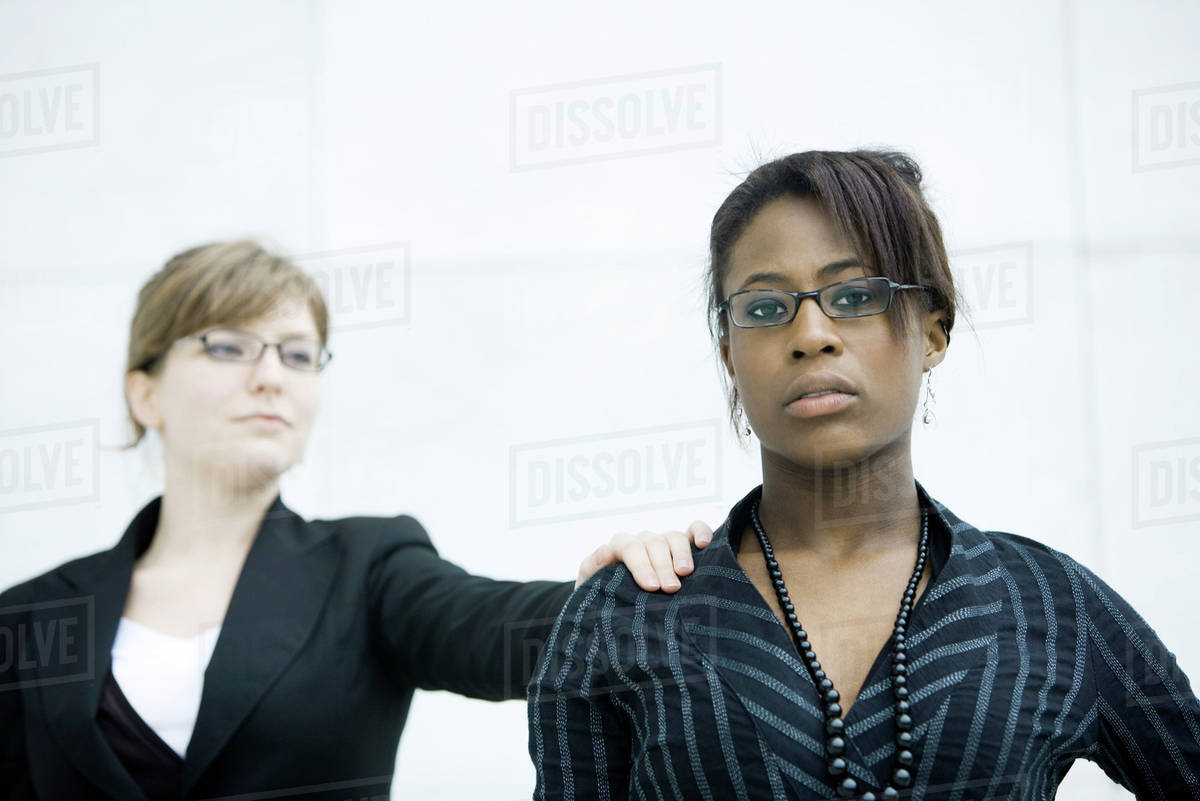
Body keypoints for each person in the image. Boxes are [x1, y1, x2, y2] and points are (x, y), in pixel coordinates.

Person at [527, 149, 1200, 800]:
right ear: (729, 353)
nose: (812, 332)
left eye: (855, 295)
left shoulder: (1053, 608)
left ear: (933, 330)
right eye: (763, 308)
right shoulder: (628, 612)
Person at [0, 240, 714, 800]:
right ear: (144, 393)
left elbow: (492, 626)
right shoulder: (31, 617)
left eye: (298, 353)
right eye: (228, 344)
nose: (271, 374)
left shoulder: (367, 566)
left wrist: (617, 594)